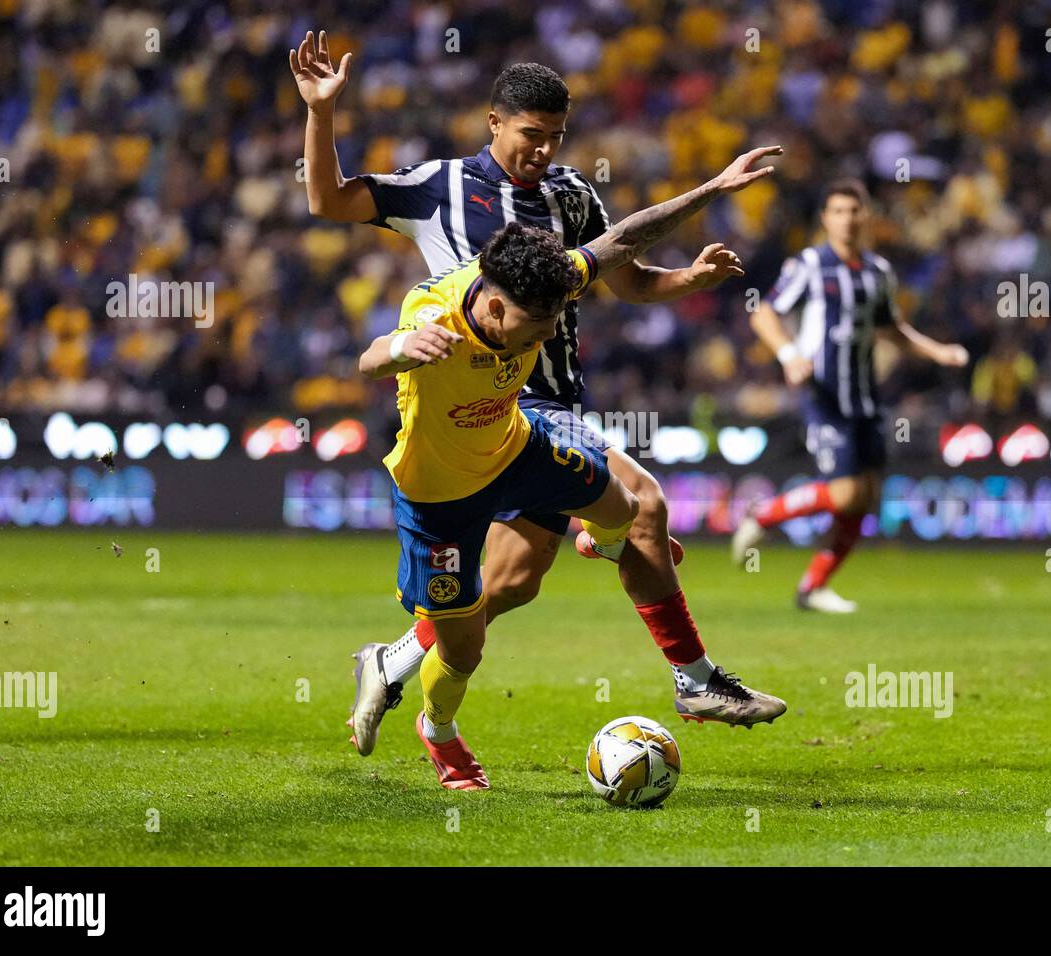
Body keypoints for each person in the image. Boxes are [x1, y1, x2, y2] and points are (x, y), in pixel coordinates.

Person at [291, 33, 786, 729]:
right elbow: (328, 201)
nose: (545, 149)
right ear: (494, 123)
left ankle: (391, 662)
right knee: (642, 504)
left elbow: (630, 279)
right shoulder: (440, 189)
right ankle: (696, 680)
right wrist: (320, 113)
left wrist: (689, 279)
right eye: (532, 134)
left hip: (552, 397)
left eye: (556, 136)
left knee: (509, 584)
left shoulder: (573, 192)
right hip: (491, 402)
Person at [353, 144, 783, 789]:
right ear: (493, 308)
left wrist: (714, 189)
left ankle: (607, 549)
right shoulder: (435, 315)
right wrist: (399, 348)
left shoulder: (538, 286)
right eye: (534, 326)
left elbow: (623, 240)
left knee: (619, 512)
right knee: (466, 644)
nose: (543, 335)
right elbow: (370, 359)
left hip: (516, 447)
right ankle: (438, 729)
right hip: (437, 498)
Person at [732, 179, 969, 612]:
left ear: (867, 217)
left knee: (867, 496)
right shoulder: (808, 264)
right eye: (838, 211)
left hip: (865, 396)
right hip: (823, 393)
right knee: (843, 493)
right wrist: (788, 354)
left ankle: (813, 587)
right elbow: (764, 312)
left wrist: (938, 351)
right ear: (825, 218)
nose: (847, 219)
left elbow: (892, 329)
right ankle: (763, 515)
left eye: (854, 211)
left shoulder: (878, 271)